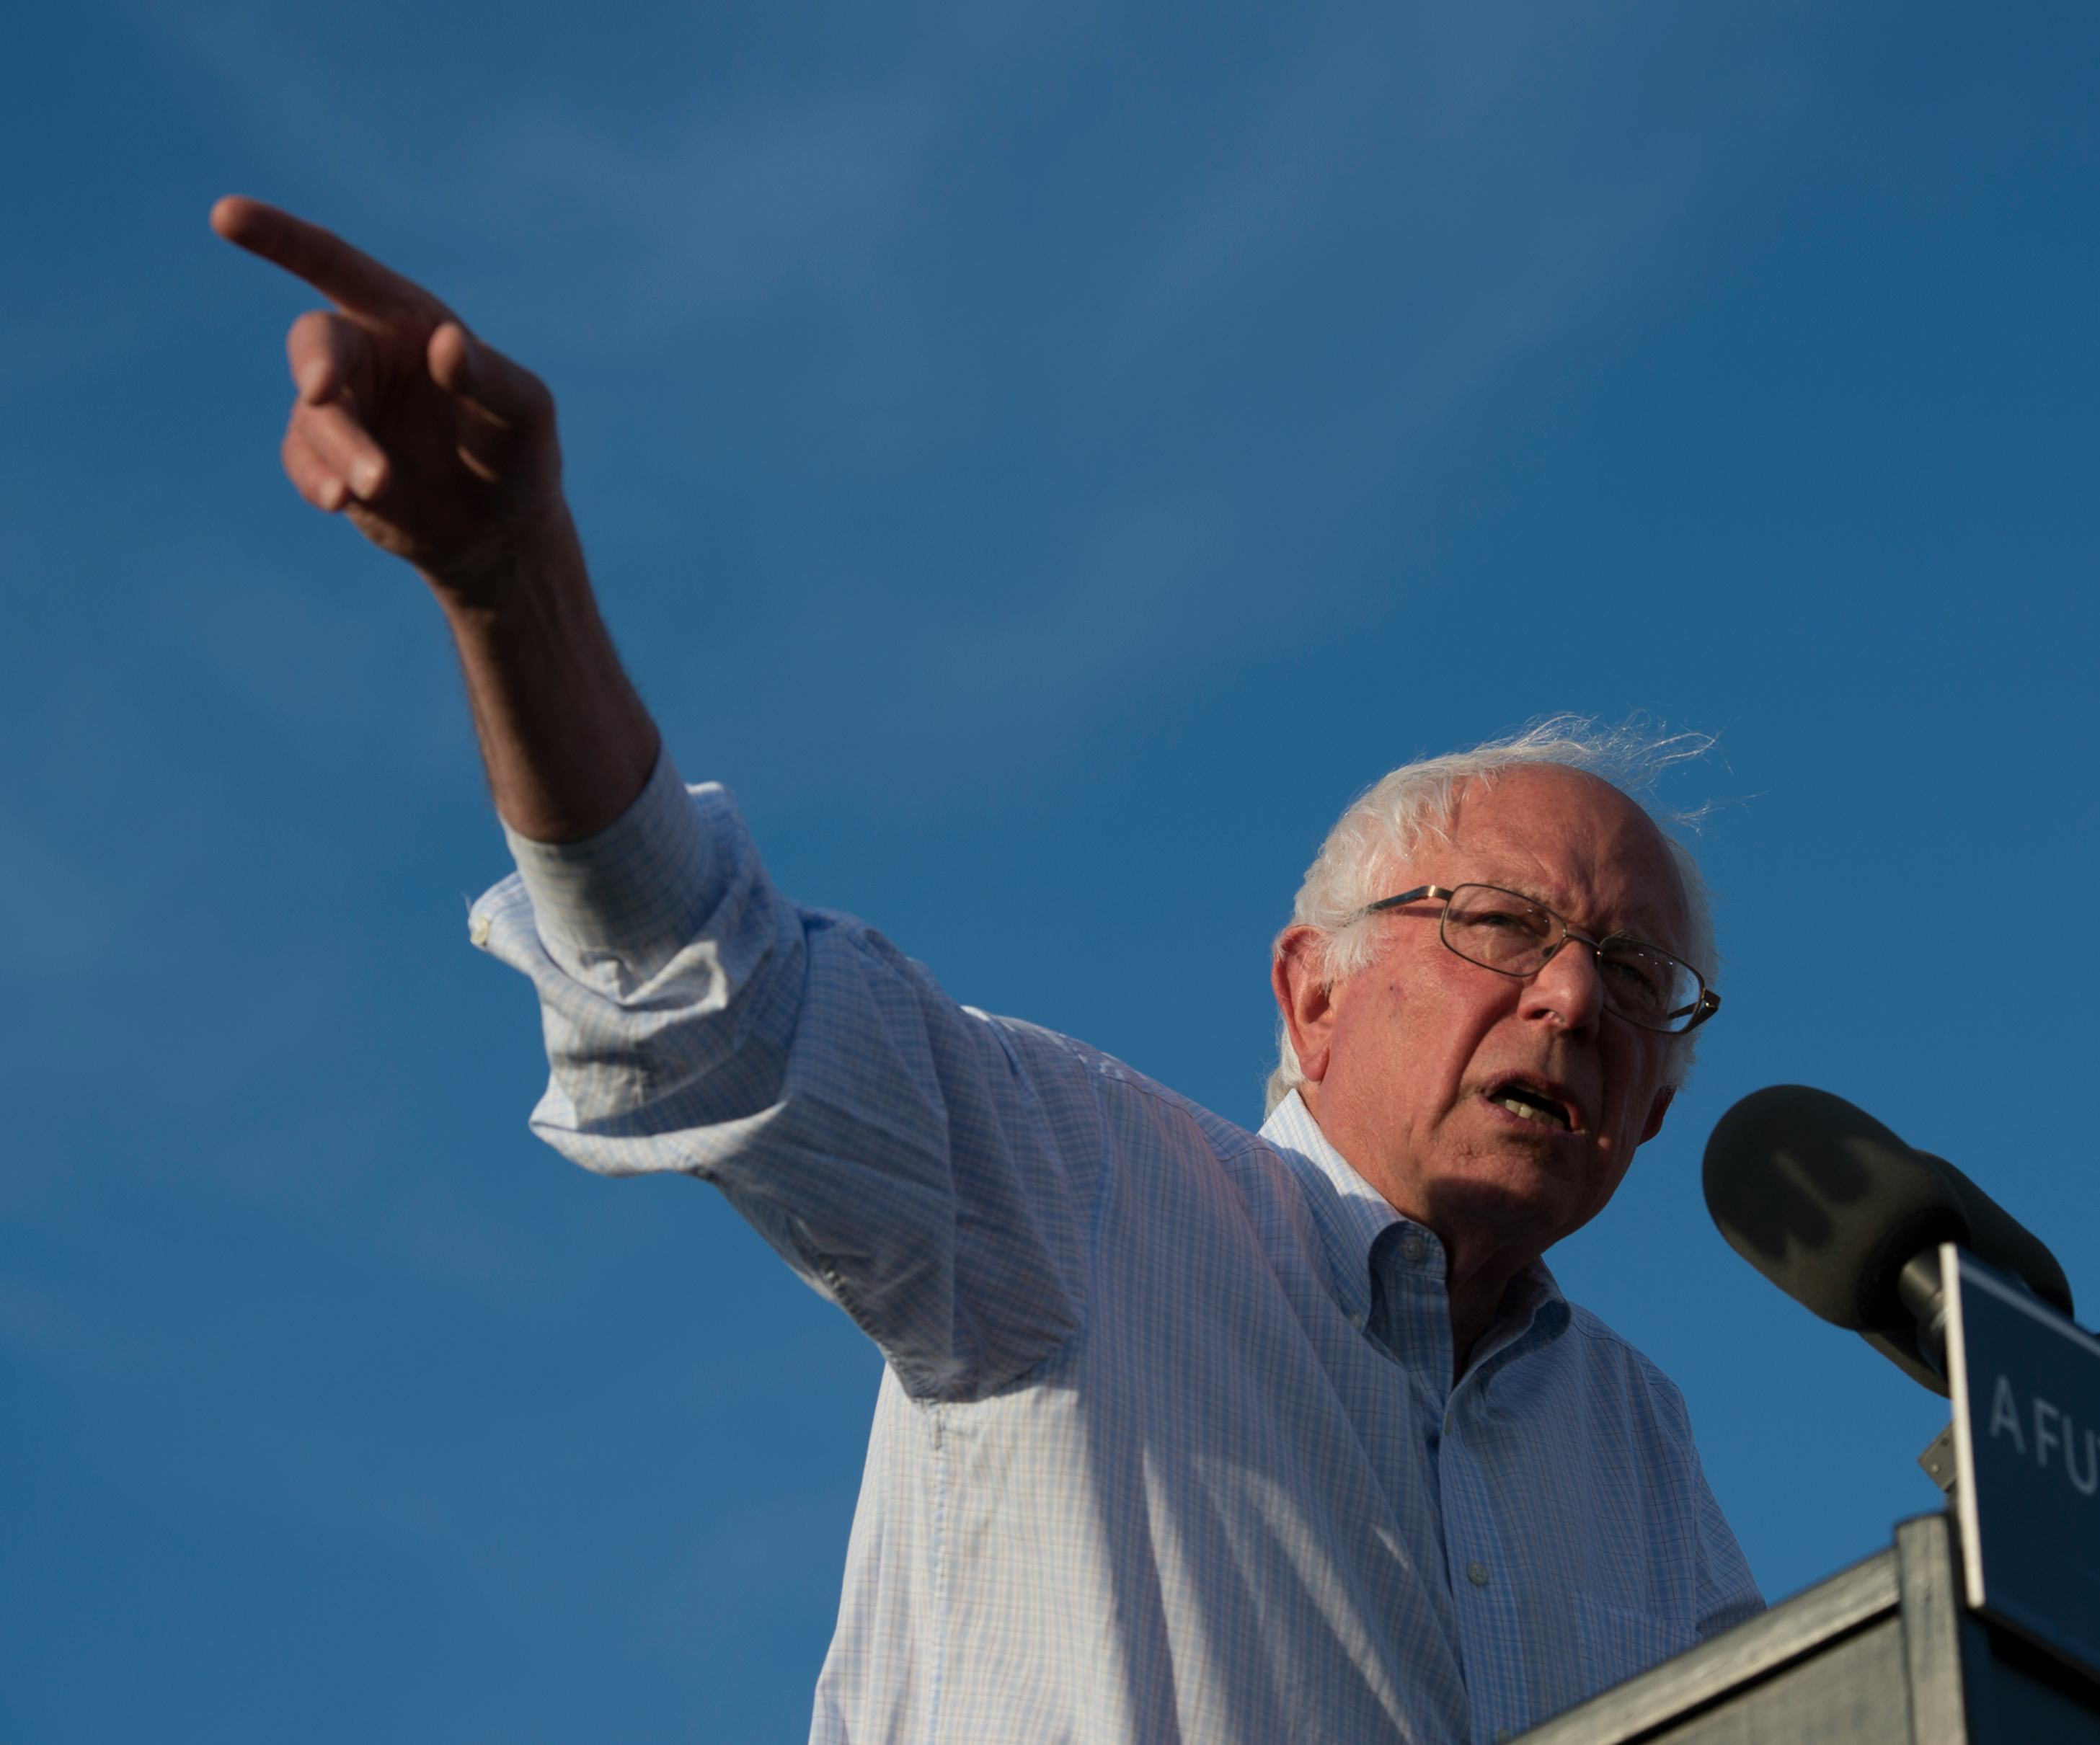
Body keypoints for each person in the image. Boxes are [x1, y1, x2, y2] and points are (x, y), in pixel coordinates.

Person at [212, 195, 1763, 1744]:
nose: (1571, 1001)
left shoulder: (1640, 1451)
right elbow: (715, 996)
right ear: (1312, 992)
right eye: (1500, 924)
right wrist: (511, 584)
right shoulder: (1075, 1188)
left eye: (1635, 975)